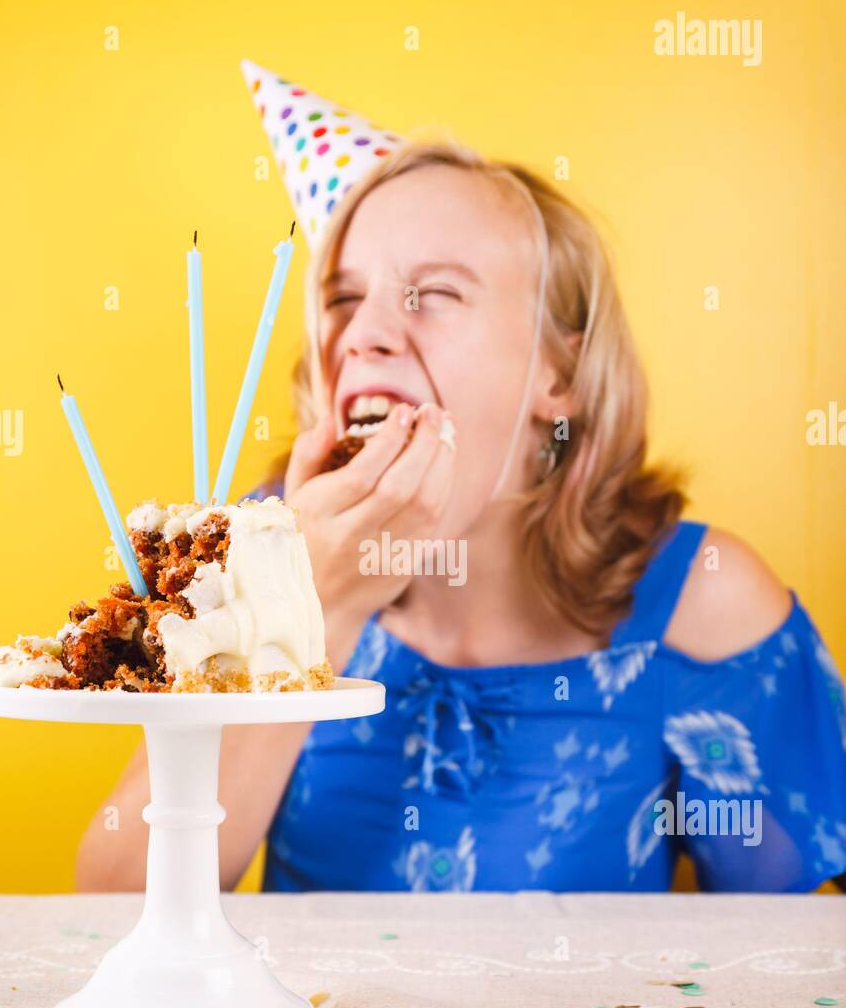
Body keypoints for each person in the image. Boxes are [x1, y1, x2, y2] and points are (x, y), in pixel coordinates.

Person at [77, 141, 846, 894]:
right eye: (342, 300)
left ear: (563, 376)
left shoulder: (702, 603)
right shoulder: (248, 558)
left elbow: (773, 955)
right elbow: (114, 908)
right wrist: (319, 603)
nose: (363, 335)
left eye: (434, 294)